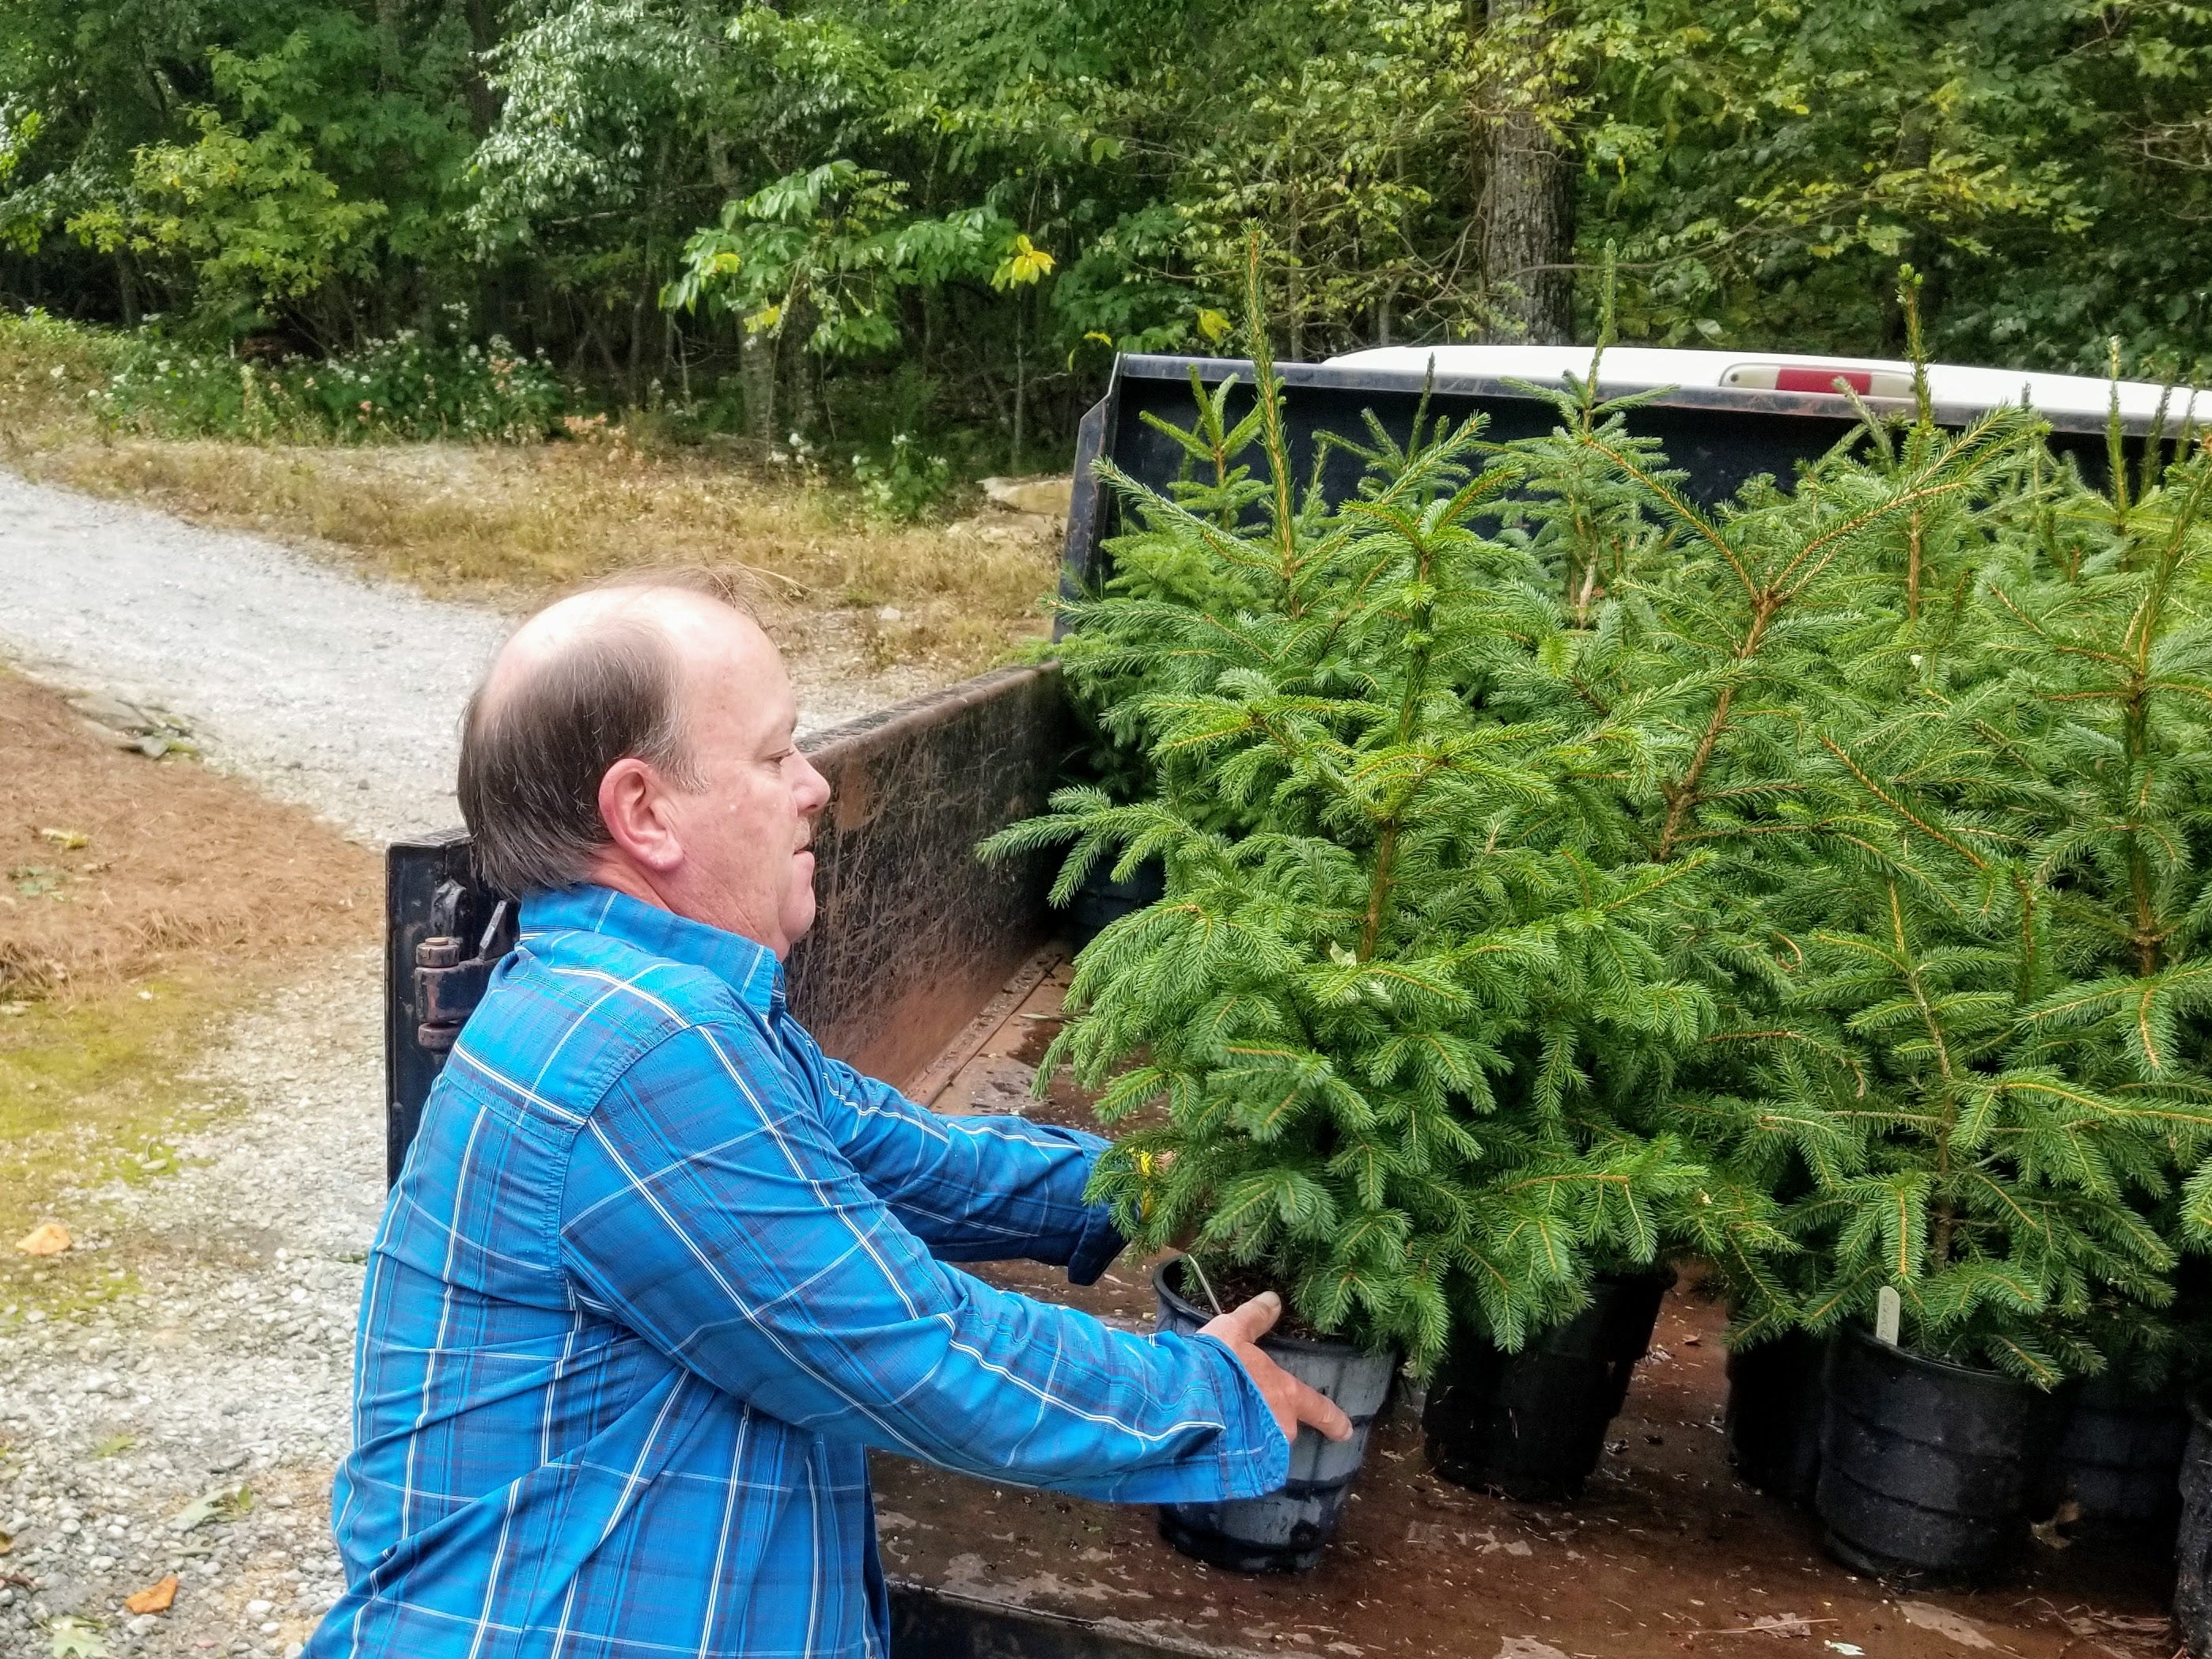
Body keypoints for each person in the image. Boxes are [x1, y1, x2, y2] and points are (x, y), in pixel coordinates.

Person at [307, 573, 1350, 1659]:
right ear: (643, 811)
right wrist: (1209, 1394)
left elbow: (910, 1161)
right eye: (774, 754)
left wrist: (1156, 1184)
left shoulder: (668, 1001)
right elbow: (915, 1347)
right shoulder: (641, 1049)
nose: (813, 786)